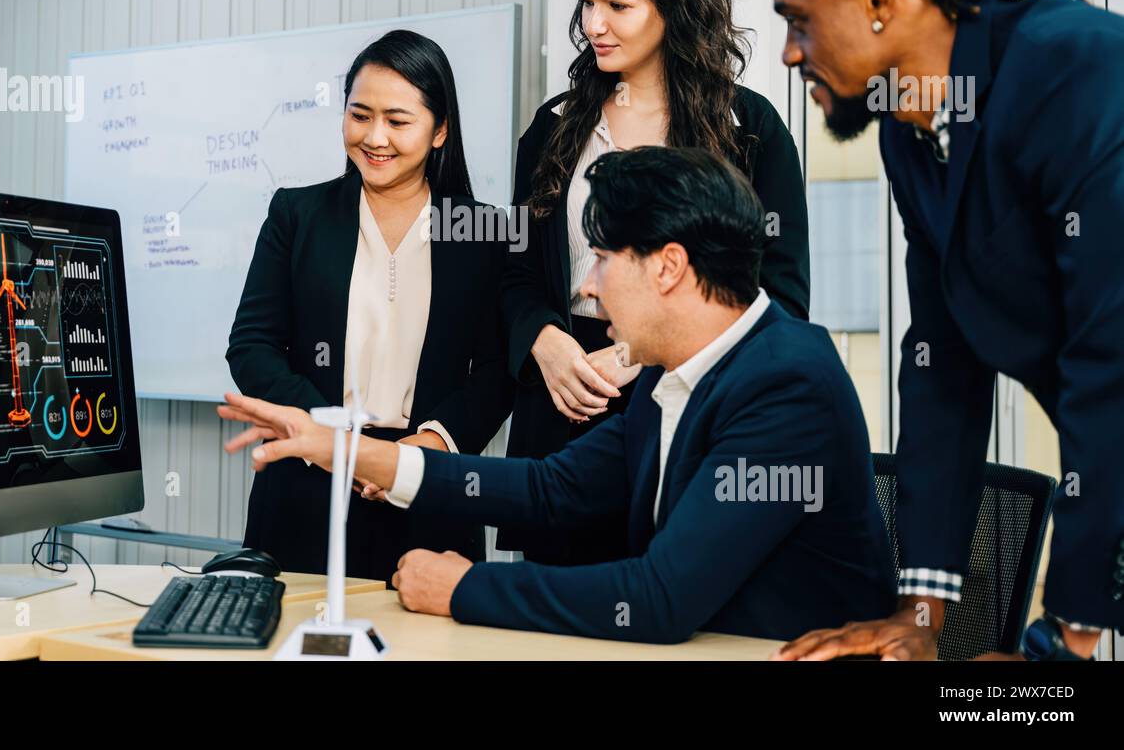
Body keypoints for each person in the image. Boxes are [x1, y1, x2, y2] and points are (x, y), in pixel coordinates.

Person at [220, 147, 894, 644]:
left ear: (668, 266)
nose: (587, 287)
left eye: (602, 258)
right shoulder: (675, 372)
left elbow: (661, 598)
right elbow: (553, 488)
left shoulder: (786, 383)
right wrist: (344, 449)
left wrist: (465, 587)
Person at [770, 0, 1124, 660]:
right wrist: (919, 619)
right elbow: (943, 364)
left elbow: (1113, 359)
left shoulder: (1077, 70)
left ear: (879, 1)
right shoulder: (910, 133)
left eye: (800, 20)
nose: (791, 53)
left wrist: (1063, 644)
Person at [502, 0, 810, 566]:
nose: (594, 25)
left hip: (690, 396)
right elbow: (514, 274)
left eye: (617, 5)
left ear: (674, 2)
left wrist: (640, 354)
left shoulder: (751, 132)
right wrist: (543, 342)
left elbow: (783, 296)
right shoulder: (553, 128)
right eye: (586, 3)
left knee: (675, 592)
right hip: (566, 397)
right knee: (554, 606)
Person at [225, 29, 514, 582]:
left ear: (440, 130)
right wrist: (333, 440)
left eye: (398, 121)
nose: (374, 137)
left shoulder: (483, 231)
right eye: (360, 116)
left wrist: (429, 444)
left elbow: (498, 369)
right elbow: (252, 346)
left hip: (428, 486)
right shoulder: (296, 214)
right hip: (308, 483)